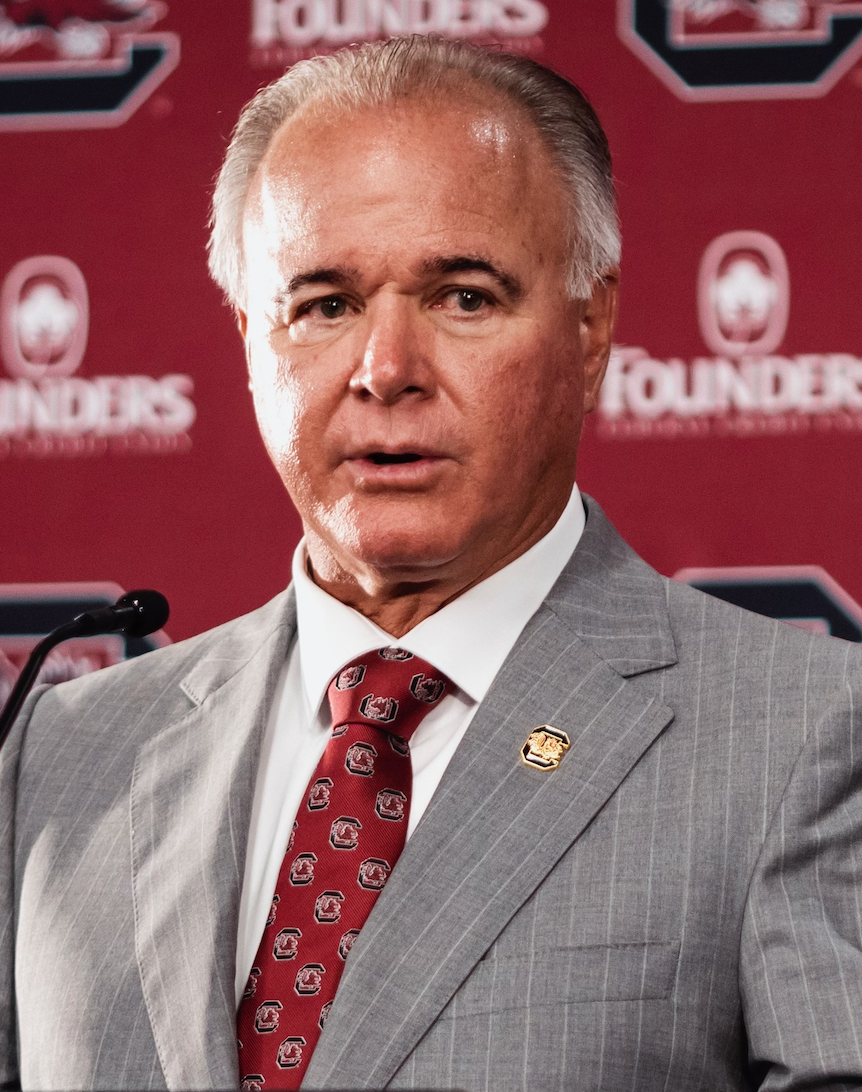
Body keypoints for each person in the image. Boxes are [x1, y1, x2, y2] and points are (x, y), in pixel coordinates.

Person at [2, 34, 862, 1092]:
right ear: (246, 339)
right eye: (324, 304)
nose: (385, 371)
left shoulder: (807, 736)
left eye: (462, 296)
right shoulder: (57, 761)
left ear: (592, 325)